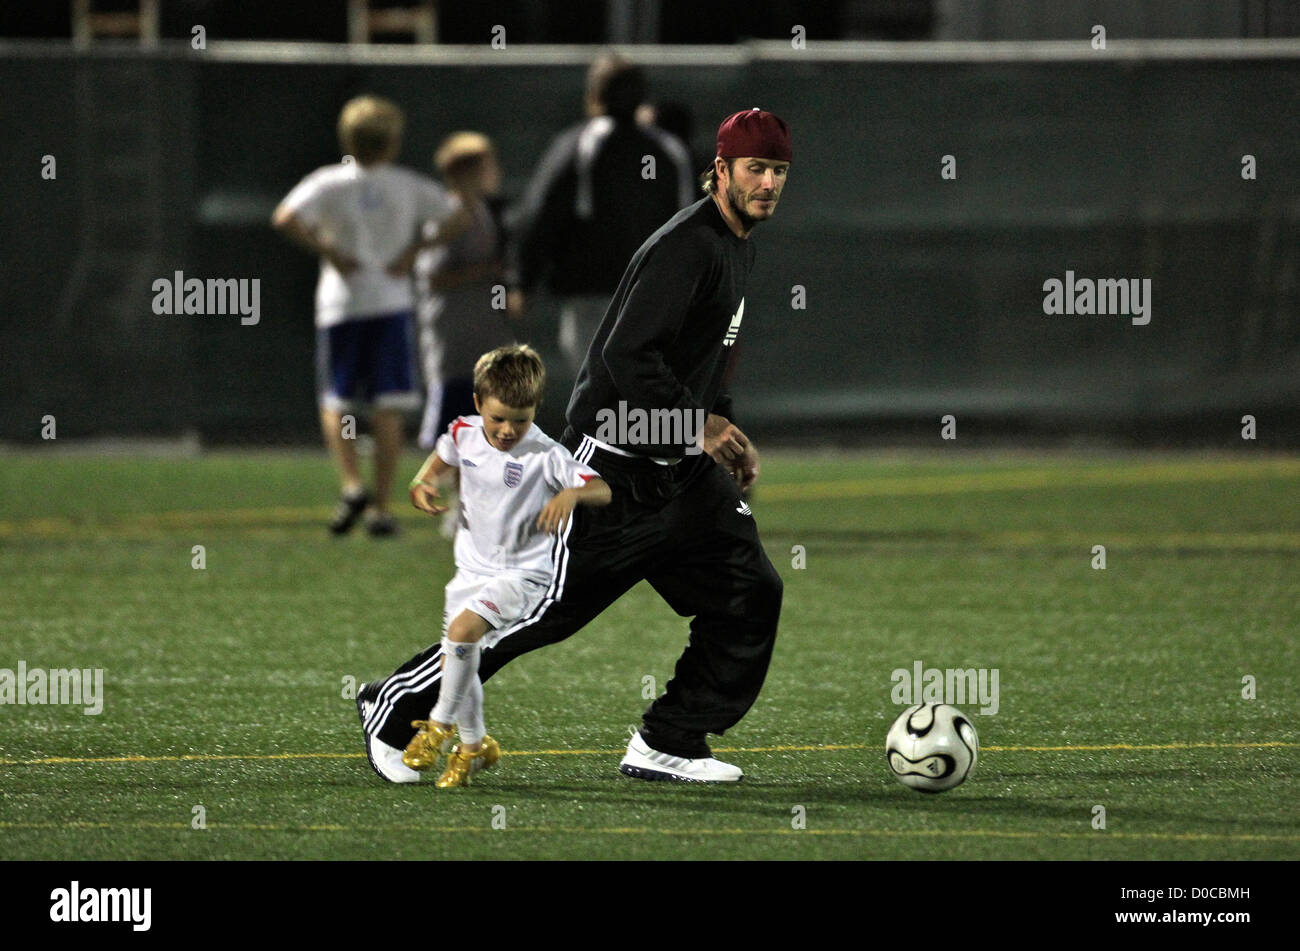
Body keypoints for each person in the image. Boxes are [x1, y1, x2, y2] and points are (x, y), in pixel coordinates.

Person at [359, 108, 791, 783]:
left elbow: (704, 359)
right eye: (756, 168)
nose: (768, 182)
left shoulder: (738, 245)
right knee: (537, 612)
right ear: (723, 169)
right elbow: (624, 357)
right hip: (614, 467)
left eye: (779, 171)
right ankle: (391, 708)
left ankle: (669, 739)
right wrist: (694, 424)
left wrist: (721, 427)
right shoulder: (687, 245)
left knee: (749, 590)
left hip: (682, 473)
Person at [360, 344, 611, 785]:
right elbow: (441, 460)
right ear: (478, 405)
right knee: (461, 657)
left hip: (523, 576)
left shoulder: (546, 453)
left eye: (521, 419)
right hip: (469, 572)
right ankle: (474, 747)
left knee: (461, 637)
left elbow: (603, 489)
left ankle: (436, 728)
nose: (508, 429)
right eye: (498, 418)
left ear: (535, 409)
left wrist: (571, 493)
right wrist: (423, 483)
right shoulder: (464, 432)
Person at [272, 95, 466, 537]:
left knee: (336, 400)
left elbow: (285, 218)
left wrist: (331, 252)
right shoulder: (407, 185)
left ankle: (351, 483)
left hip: (341, 304)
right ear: (393, 142)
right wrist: (414, 252)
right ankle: (381, 508)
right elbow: (458, 217)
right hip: (391, 303)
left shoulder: (328, 182)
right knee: (388, 406)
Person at [506, 53, 695, 375]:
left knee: (599, 393)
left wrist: (522, 280)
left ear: (593, 96)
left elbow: (543, 212)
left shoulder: (579, 145)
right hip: (655, 299)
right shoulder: (669, 151)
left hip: (593, 295)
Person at [415, 131, 517, 451]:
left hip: (481, 333)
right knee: (449, 419)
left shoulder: (482, 210)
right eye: (487, 166)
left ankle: (466, 495)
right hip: (454, 333)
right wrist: (487, 271)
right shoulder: (449, 213)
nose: (494, 173)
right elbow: (433, 276)